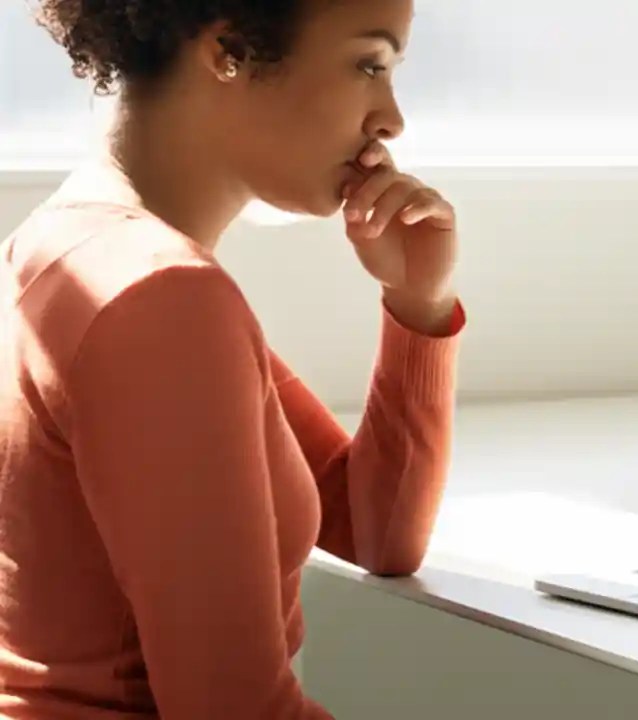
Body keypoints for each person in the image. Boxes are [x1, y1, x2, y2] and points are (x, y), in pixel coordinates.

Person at [0, 1, 462, 717]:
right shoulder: (159, 298)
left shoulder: (73, 242)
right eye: (370, 63)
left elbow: (374, 530)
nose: (391, 119)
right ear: (231, 48)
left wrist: (418, 305)